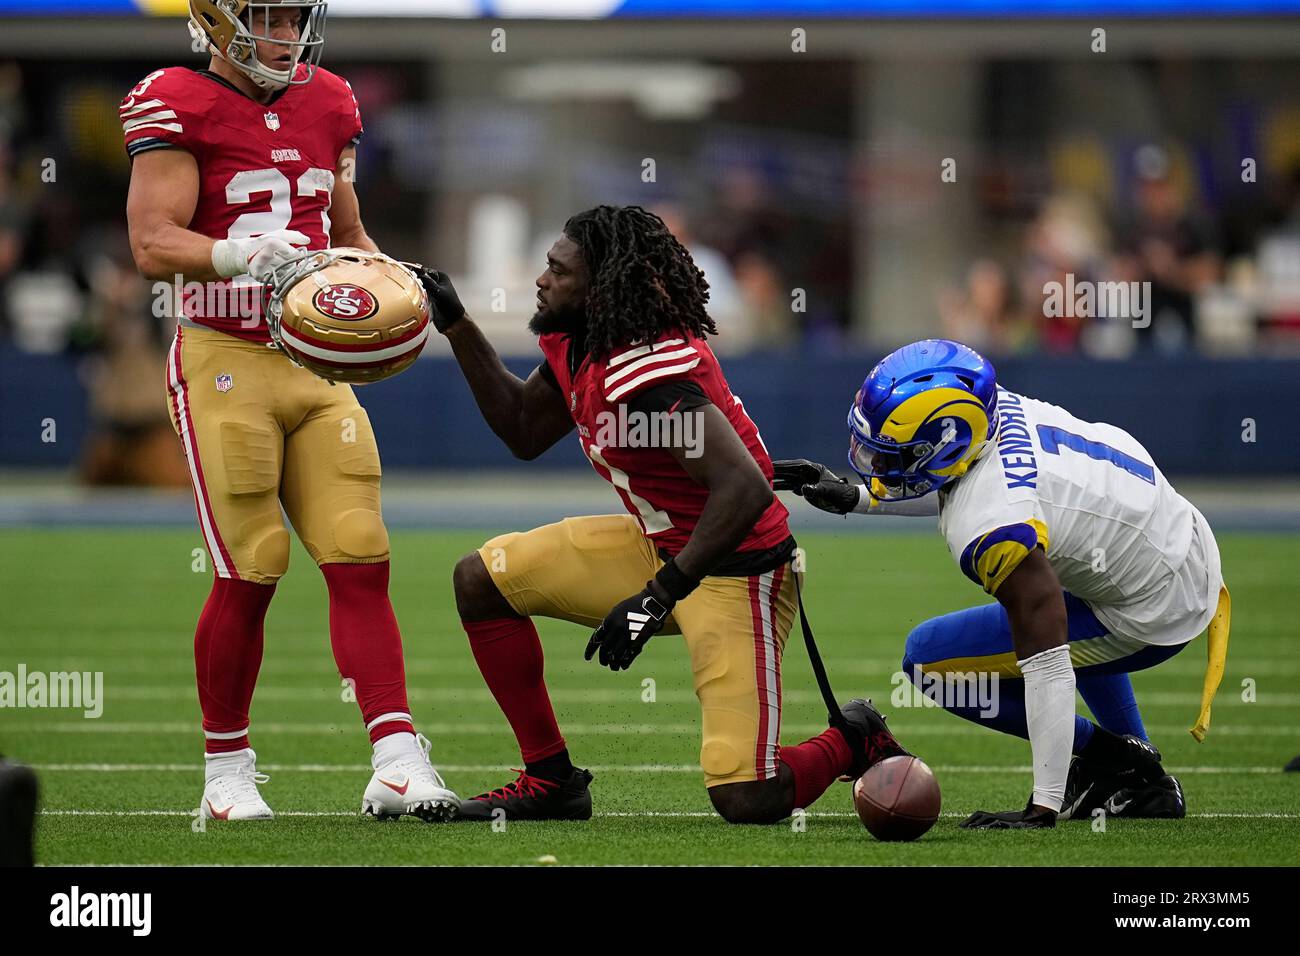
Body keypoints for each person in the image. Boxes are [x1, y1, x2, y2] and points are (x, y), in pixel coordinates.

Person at [416, 204, 910, 822]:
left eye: (557, 270)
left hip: (737, 570)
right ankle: (551, 778)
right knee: (480, 579)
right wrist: (458, 325)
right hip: (663, 543)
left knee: (745, 798)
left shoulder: (649, 374)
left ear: (600, 287)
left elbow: (745, 489)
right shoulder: (582, 340)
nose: (542, 279)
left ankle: (854, 735)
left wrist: (654, 600)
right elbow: (522, 428)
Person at [122, 1, 456, 822]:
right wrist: (235, 253)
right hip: (223, 355)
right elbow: (151, 242)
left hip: (313, 361)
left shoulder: (330, 100)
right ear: (219, 19)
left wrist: (389, 281)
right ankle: (227, 771)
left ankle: (397, 757)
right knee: (254, 561)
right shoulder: (176, 98)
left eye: (293, 17)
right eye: (266, 17)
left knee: (360, 547)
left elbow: (347, 231)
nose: (284, 34)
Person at [774, 339, 1230, 828]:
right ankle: (1140, 780)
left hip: (1157, 605)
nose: (878, 464)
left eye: (893, 455)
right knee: (1075, 588)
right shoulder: (994, 410)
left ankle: (1115, 758)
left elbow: (1047, 650)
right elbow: (957, 480)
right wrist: (857, 498)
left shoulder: (994, 523)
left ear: (946, 441)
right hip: (1170, 542)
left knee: (930, 660)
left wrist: (1043, 805)